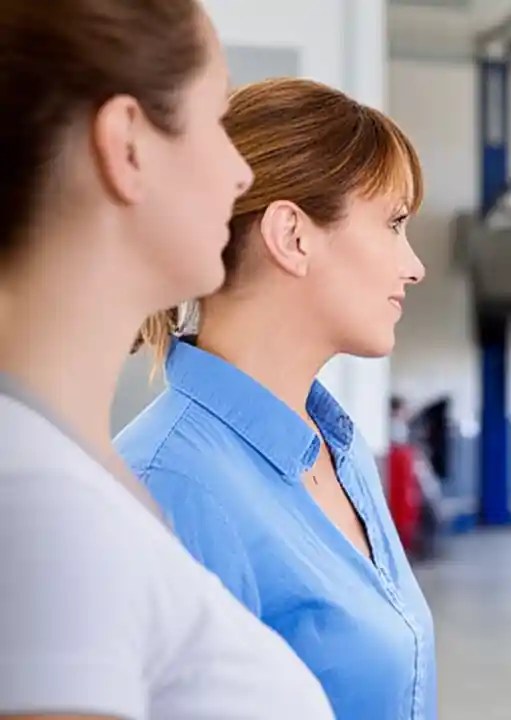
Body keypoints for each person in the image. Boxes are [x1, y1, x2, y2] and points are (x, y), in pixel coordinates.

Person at [0, 2, 336, 718]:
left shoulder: (59, 474)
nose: (243, 173)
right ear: (126, 145)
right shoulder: (40, 504)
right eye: (217, 119)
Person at [115, 77, 435, 720]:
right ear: (292, 236)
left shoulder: (334, 449)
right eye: (393, 224)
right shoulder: (168, 488)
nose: (415, 265)